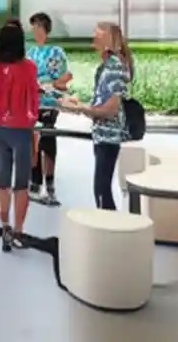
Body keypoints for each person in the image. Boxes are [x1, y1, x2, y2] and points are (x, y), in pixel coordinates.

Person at [62, 22, 132, 211]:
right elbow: (102, 102)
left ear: (109, 40)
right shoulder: (106, 66)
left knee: (101, 189)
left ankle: (111, 230)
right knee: (101, 189)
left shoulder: (115, 67)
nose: (94, 39)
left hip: (109, 135)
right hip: (102, 134)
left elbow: (110, 109)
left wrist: (83, 109)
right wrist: (80, 106)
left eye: (98, 36)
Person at [0, 23, 41, 252]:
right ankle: (19, 230)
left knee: (2, 180)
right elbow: (33, 99)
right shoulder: (29, 68)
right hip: (21, 128)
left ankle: (5, 226)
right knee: (21, 183)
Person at [26, 12, 72, 207]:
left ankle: (49, 180)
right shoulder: (30, 53)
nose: (35, 31)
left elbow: (66, 76)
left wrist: (50, 84)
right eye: (33, 28)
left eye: (38, 27)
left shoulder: (56, 52)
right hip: (32, 101)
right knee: (33, 139)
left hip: (49, 100)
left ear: (45, 29)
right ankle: (35, 180)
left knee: (48, 137)